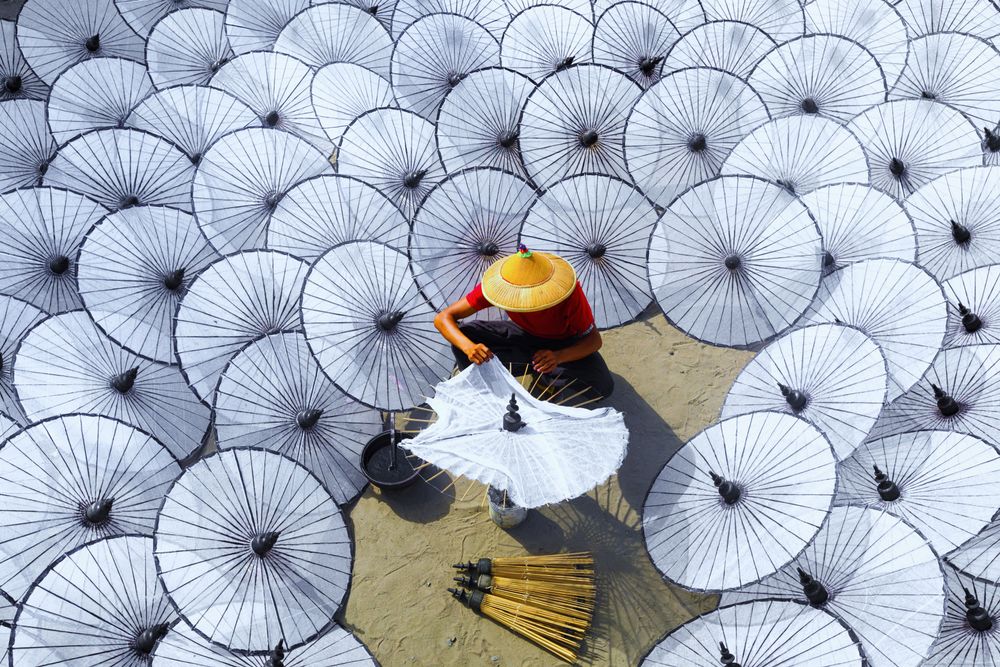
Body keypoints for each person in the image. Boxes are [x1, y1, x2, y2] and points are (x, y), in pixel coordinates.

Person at [434, 244, 614, 400]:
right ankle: (484, 380)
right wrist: (469, 348)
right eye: (517, 297)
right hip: (524, 334)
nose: (524, 303)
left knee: (603, 387)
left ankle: (547, 379)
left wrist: (558, 356)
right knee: (466, 335)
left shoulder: (567, 293)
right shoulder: (500, 287)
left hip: (562, 342)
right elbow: (443, 318)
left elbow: (594, 341)